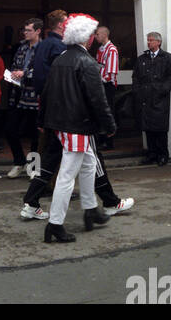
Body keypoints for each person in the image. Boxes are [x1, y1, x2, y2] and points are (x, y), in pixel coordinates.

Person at [40, 14, 116, 243]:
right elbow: (97, 99)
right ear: (88, 38)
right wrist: (109, 125)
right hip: (78, 126)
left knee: (88, 163)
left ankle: (91, 208)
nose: (93, 37)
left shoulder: (61, 59)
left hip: (63, 124)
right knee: (66, 175)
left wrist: (43, 120)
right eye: (92, 34)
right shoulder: (88, 63)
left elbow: (47, 92)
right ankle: (55, 224)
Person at [17, 11, 69, 219]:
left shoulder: (44, 45)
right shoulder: (57, 46)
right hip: (58, 106)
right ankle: (40, 194)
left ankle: (35, 195)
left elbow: (39, 76)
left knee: (47, 147)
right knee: (54, 151)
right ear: (61, 25)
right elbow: (60, 77)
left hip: (44, 103)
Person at [3, 17, 43, 178]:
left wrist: (25, 73)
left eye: (29, 30)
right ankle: (19, 161)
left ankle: (34, 167)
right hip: (18, 94)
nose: (25, 33)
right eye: (24, 30)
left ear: (38, 31)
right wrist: (13, 73)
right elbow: (15, 65)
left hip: (34, 96)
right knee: (10, 129)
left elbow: (44, 70)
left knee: (35, 134)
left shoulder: (43, 49)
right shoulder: (21, 47)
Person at [133, 31, 171, 166]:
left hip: (159, 100)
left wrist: (162, 90)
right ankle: (151, 154)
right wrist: (138, 91)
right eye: (148, 40)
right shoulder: (142, 59)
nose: (149, 42)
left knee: (160, 129)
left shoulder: (167, 58)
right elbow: (135, 77)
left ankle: (163, 155)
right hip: (145, 100)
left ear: (158, 42)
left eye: (151, 40)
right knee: (148, 129)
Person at [95, 25, 120, 150]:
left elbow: (111, 72)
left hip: (107, 85)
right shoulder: (101, 49)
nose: (95, 36)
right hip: (101, 84)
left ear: (105, 35)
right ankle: (102, 139)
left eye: (98, 34)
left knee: (108, 112)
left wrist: (99, 80)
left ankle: (109, 142)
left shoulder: (111, 50)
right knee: (101, 112)